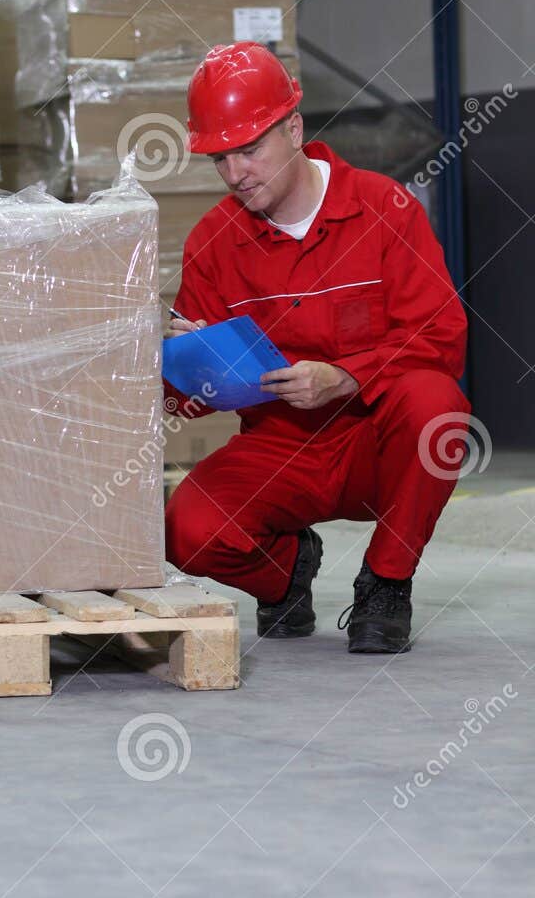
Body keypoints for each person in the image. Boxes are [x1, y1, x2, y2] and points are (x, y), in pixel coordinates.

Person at [164, 40, 470, 654]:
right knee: (188, 529)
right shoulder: (213, 242)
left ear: (295, 128)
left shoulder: (385, 208)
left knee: (438, 405)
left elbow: (440, 334)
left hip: (373, 441)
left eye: (250, 150)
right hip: (280, 447)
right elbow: (189, 404)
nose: (235, 174)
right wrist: (182, 365)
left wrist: (348, 376)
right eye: (220, 158)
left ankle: (386, 582)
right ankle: (287, 571)